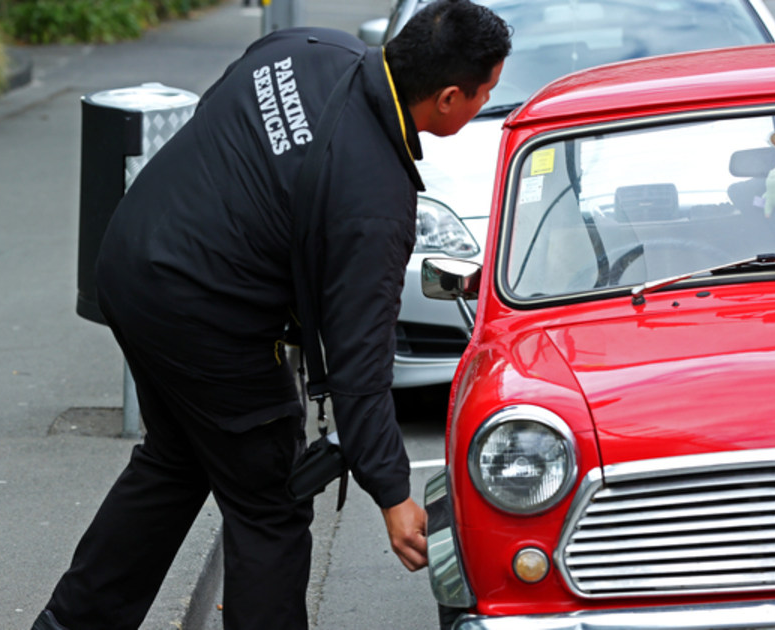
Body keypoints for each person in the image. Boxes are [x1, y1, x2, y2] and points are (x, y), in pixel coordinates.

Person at [33, 2, 510, 628]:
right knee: (270, 505)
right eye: (487, 95)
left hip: (129, 258)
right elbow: (359, 366)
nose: (484, 108)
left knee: (177, 459)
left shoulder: (309, 47)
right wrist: (393, 494)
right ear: (449, 97)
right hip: (200, 310)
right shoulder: (374, 197)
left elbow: (222, 116)